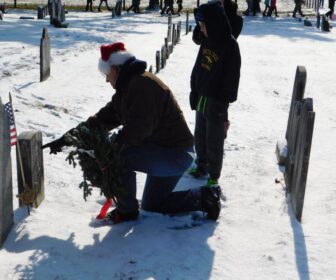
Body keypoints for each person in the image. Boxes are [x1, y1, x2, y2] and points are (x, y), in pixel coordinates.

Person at [42, 42, 222, 224]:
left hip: (174, 154)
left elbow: (137, 132)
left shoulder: (141, 85)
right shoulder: (129, 87)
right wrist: (67, 139)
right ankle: (206, 197)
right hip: (167, 151)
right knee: (152, 205)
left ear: (115, 69)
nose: (106, 80)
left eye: (106, 74)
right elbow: (101, 120)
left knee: (119, 157)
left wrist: (110, 149)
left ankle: (126, 212)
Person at [189, 1, 241, 187]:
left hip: (217, 101)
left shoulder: (230, 45)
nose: (201, 30)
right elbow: (198, 68)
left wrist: (224, 98)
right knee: (200, 134)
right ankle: (201, 164)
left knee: (214, 138)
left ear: (213, 24)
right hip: (202, 96)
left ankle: (213, 173)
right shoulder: (207, 40)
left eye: (203, 26)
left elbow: (232, 75)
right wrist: (193, 89)